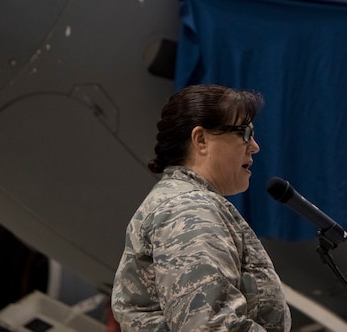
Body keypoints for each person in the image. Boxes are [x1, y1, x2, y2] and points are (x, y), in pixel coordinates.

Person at [111, 84, 292, 332]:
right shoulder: (189, 208)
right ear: (201, 139)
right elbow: (209, 326)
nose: (255, 146)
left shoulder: (183, 202)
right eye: (245, 133)